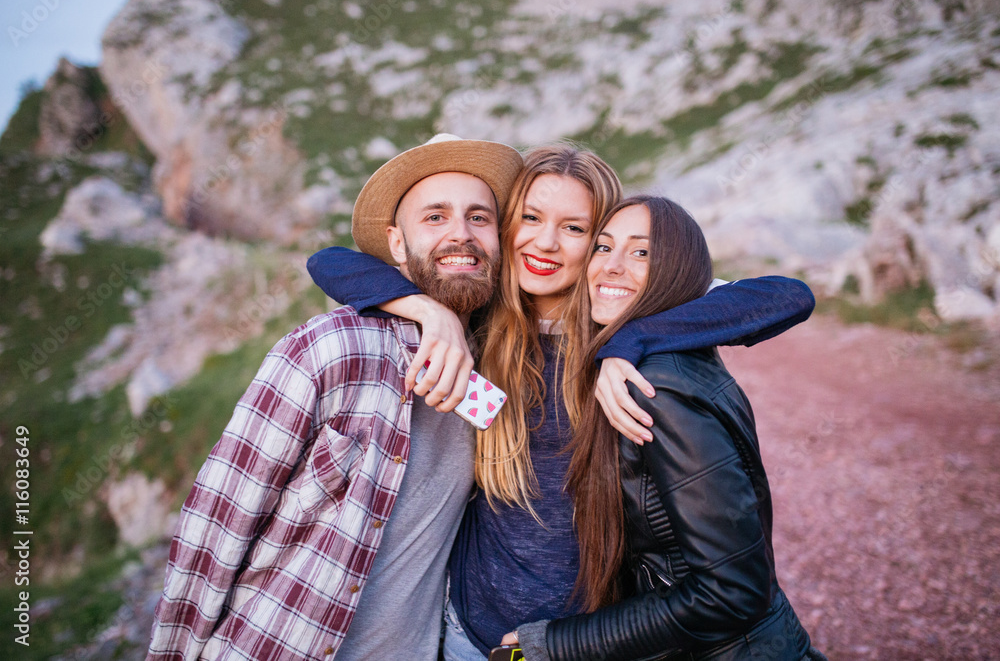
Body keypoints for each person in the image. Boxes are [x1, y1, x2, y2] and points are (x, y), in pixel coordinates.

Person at [307, 144, 817, 660]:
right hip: (469, 627)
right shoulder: (478, 314)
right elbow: (330, 261)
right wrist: (428, 312)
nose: (545, 243)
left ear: (598, 244)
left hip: (591, 638)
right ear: (507, 226)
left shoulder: (622, 314)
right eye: (530, 217)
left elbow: (787, 296)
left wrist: (630, 339)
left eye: (574, 229)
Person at [145, 134, 523, 661]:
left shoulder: (505, 364)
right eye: (435, 217)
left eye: (479, 218)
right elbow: (215, 527)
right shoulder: (331, 348)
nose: (461, 234)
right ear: (396, 244)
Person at [506, 195, 825, 661]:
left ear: (677, 273)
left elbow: (732, 592)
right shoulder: (666, 356)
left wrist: (556, 643)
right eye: (604, 247)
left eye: (641, 253)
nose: (612, 267)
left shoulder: (654, 383)